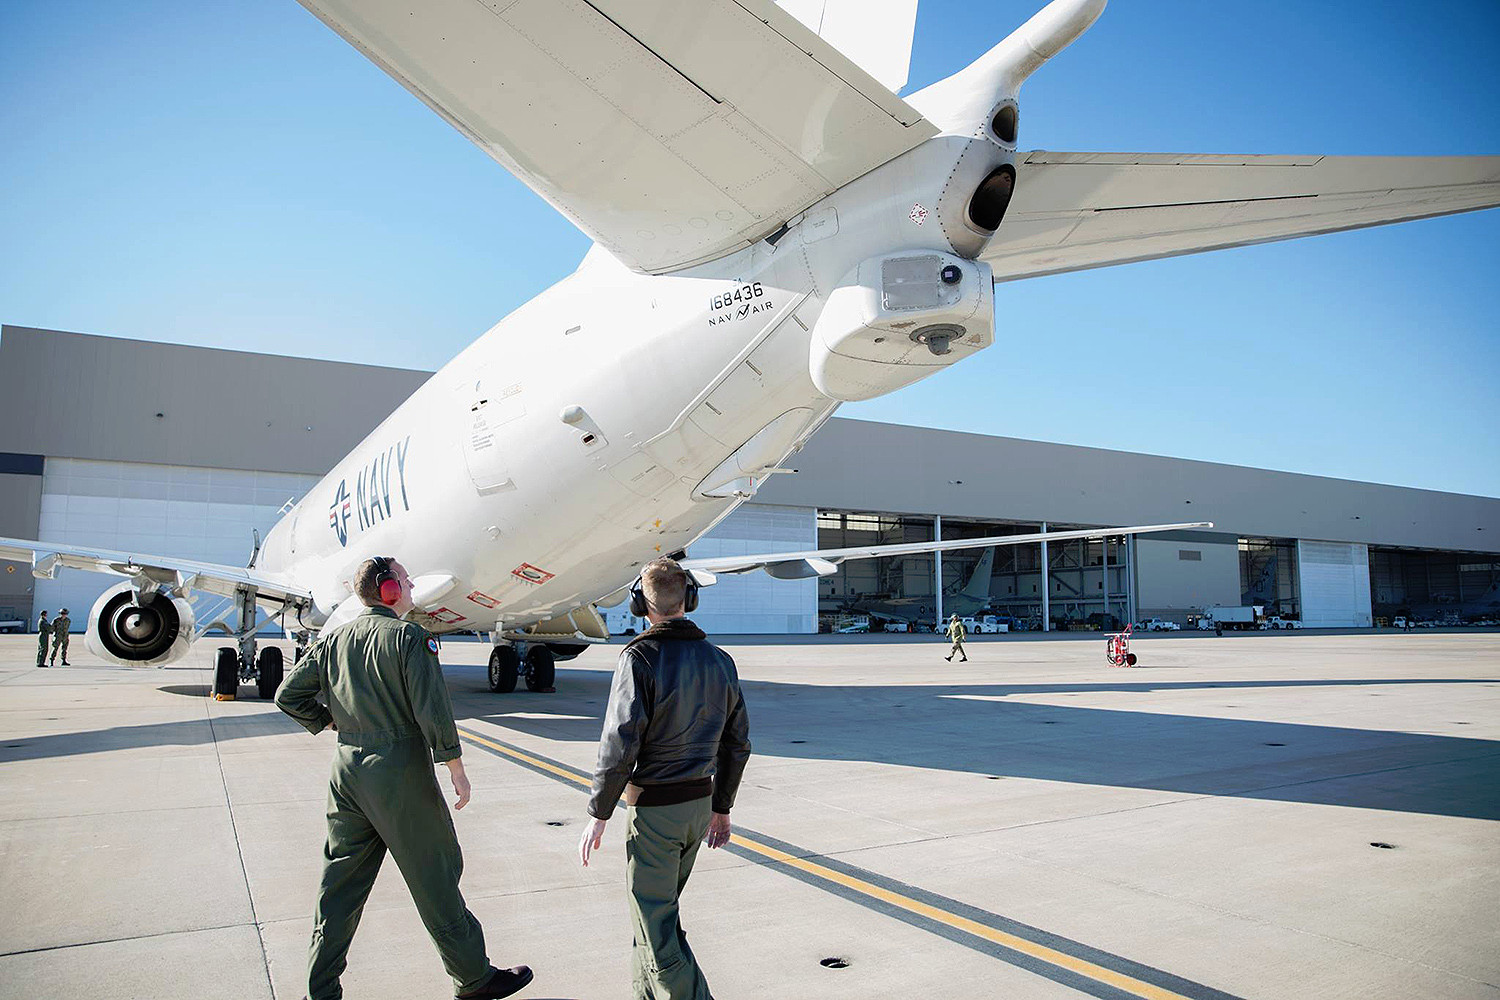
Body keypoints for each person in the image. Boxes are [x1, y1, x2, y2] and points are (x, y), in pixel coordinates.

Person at [276, 556, 532, 1000]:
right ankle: (474, 977)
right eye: (405, 578)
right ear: (389, 589)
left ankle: (320, 990)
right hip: (397, 775)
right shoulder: (410, 638)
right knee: (435, 874)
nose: (412, 584)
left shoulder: (334, 638)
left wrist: (330, 722)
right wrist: (455, 766)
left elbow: (288, 694)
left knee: (339, 886)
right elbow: (432, 709)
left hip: (348, 773)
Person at [579, 557, 751, 1000]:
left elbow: (621, 740)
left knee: (655, 923)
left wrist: (599, 812)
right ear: (688, 599)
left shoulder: (639, 657)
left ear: (641, 605)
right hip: (699, 809)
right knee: (655, 916)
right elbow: (737, 744)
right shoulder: (721, 661)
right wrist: (722, 809)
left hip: (656, 812)